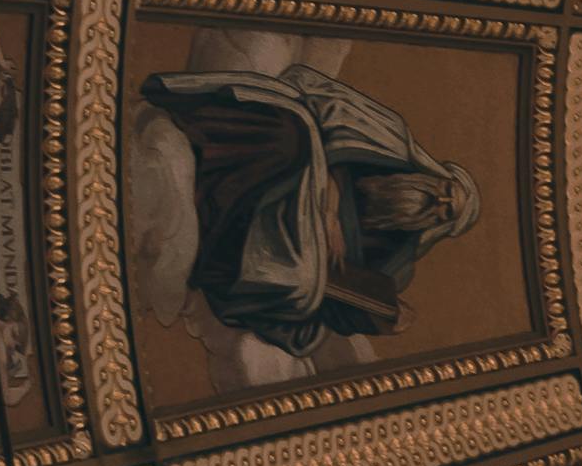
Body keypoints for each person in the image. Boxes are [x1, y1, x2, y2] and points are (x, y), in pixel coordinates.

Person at [140, 60, 474, 361]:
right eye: (445, 192)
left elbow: (331, 306)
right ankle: (203, 184)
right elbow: (306, 85)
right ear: (434, 175)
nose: (437, 203)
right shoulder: (390, 137)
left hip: (281, 242)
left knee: (300, 283)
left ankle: (211, 234)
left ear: (438, 228)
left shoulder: (395, 265)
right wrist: (328, 198)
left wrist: (384, 317)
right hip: (281, 163)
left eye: (446, 213)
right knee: (293, 134)